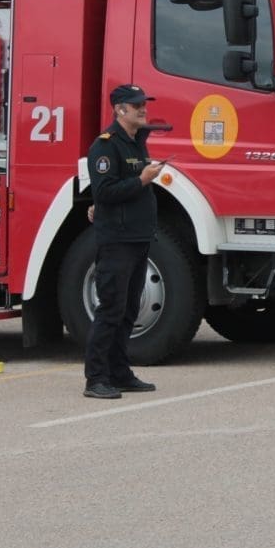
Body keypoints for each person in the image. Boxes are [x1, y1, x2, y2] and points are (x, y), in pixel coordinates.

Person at [83, 84, 163, 399]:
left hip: (137, 237)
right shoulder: (106, 146)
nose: (143, 109)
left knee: (129, 309)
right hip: (116, 240)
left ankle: (119, 371)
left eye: (144, 103)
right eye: (137, 105)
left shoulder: (136, 143)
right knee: (111, 309)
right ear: (120, 110)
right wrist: (142, 180)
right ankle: (96, 378)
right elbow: (104, 192)